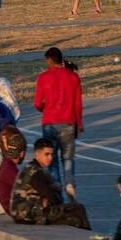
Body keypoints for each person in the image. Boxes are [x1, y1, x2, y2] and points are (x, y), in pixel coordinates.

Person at [33, 46, 81, 199]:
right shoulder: (73, 77)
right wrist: (78, 124)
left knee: (51, 160)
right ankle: (69, 183)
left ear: (49, 60)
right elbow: (77, 105)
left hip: (49, 123)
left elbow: (37, 102)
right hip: (68, 123)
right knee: (68, 157)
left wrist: (44, 108)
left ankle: (57, 190)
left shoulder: (43, 77)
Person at [8, 137, 91, 227]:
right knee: (78, 208)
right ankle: (89, 238)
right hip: (28, 214)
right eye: (46, 154)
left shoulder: (29, 167)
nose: (50, 158)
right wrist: (55, 190)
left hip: (22, 212)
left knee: (72, 218)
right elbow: (53, 198)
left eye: (51, 154)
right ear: (37, 154)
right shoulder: (36, 173)